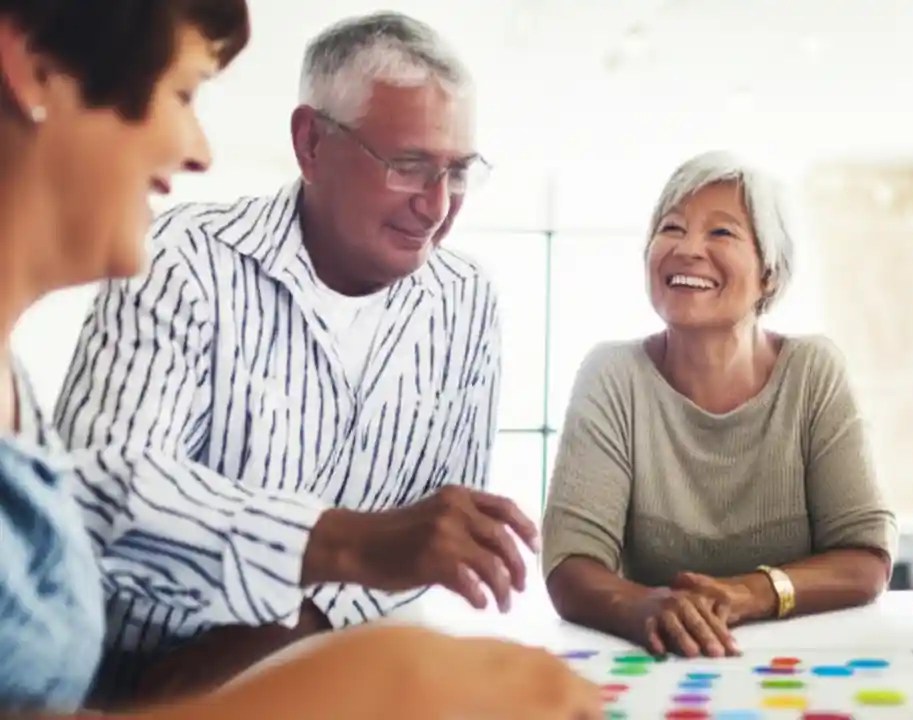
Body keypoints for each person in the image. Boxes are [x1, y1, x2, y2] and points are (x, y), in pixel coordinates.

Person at [0, 1, 599, 718]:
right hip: (128, 685)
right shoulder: (184, 260)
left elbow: (432, 537)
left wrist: (288, 631)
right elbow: (110, 492)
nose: (437, 206)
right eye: (409, 165)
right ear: (311, 143)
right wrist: (350, 546)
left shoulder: (467, 300)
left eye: (459, 172)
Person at [541, 150, 897, 659]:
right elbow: (570, 564)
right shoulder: (612, 375)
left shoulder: (812, 371)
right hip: (660, 662)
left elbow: (866, 559)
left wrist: (749, 593)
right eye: (671, 228)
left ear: (769, 274)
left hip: (801, 667)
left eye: (721, 233)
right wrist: (640, 607)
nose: (687, 249)